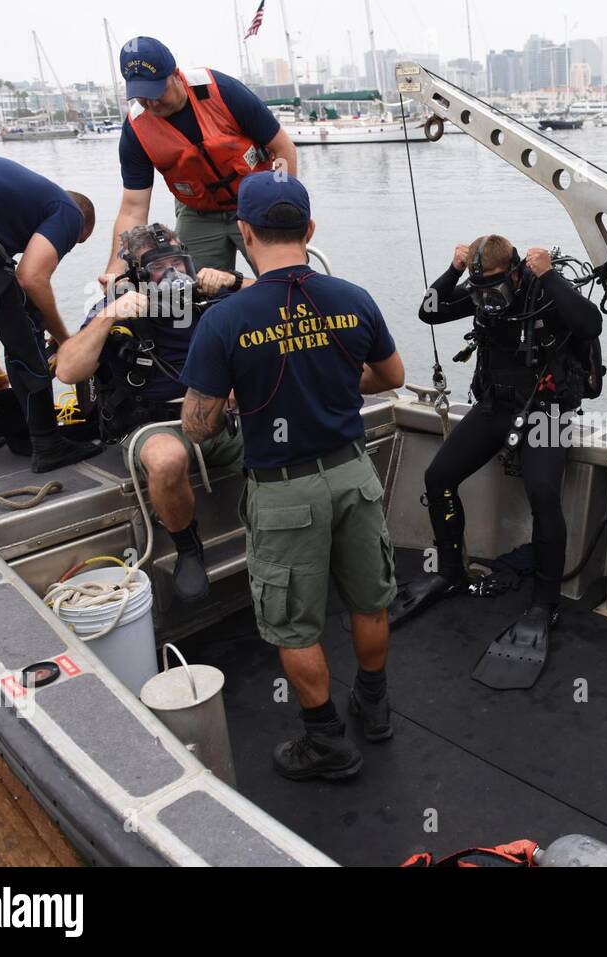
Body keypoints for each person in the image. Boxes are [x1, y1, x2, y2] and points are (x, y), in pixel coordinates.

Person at [180, 172, 405, 781]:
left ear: (244, 233)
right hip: (354, 476)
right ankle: (375, 707)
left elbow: (197, 427)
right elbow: (392, 377)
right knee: (370, 597)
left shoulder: (226, 319)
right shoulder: (354, 298)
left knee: (292, 621)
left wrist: (234, 399)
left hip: (284, 492)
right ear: (308, 230)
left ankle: (327, 743)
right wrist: (334, 384)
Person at [387, 234, 603, 690]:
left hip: (545, 411)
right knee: (439, 475)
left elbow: (590, 325)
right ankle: (450, 571)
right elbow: (429, 310)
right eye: (480, 291)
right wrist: (453, 269)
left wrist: (550, 275)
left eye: (495, 290)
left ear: (516, 273)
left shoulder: (540, 287)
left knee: (544, 494)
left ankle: (544, 603)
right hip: (495, 408)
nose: (488, 301)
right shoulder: (481, 292)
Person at [54, 224, 249, 602]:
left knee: (283, 430)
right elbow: (68, 371)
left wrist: (235, 279)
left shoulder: (209, 292)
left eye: (178, 262)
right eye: (160, 267)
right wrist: (109, 315)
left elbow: (279, 294)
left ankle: (270, 531)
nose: (172, 273)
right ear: (137, 273)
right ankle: (188, 546)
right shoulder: (120, 303)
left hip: (221, 413)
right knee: (165, 460)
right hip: (155, 421)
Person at [0, 154, 102, 471]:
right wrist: (67, 340)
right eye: (74, 243)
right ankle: (46, 443)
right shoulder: (68, 212)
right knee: (26, 321)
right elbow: (32, 278)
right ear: (84, 227)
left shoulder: (8, 212)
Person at [102, 36, 297, 279]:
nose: (151, 102)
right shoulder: (136, 129)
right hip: (198, 211)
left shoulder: (223, 91)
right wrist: (116, 268)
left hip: (257, 201)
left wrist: (283, 207)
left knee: (285, 277)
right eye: (142, 95)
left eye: (157, 91)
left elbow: (283, 148)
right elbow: (133, 209)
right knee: (190, 285)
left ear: (175, 74)